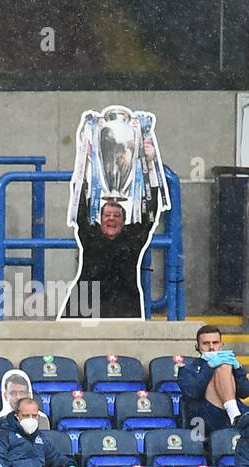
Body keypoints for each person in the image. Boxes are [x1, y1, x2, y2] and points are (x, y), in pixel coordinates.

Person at [60, 138, 161, 320]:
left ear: (124, 221)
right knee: (67, 345)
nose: (111, 219)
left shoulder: (132, 239)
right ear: (99, 219)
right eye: (107, 215)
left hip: (124, 304)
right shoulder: (90, 235)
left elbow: (151, 210)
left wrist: (150, 165)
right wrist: (86, 162)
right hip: (86, 302)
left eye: (116, 216)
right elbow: (80, 204)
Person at [177, 324, 249, 431]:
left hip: (232, 416)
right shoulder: (187, 369)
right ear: (197, 347)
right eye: (206, 343)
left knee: (224, 366)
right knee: (222, 367)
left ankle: (235, 415)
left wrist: (238, 369)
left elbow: (245, 392)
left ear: (221, 345)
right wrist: (209, 366)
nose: (211, 347)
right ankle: (234, 415)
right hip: (206, 418)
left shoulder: (229, 365)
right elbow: (193, 392)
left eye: (215, 343)